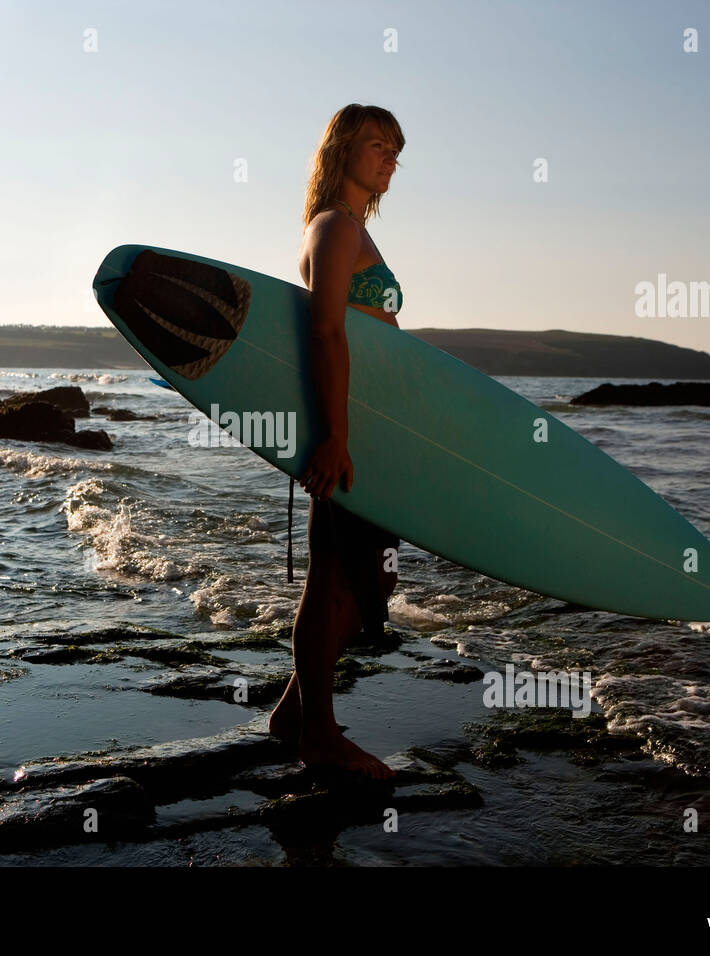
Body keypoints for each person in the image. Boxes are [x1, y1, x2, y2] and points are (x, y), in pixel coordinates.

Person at [267, 104, 406, 781]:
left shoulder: (351, 230)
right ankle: (318, 733)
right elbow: (326, 332)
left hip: (370, 432)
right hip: (344, 430)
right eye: (377, 145)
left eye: (396, 151)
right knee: (332, 577)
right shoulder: (332, 228)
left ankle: (297, 710)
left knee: (370, 575)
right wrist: (334, 437)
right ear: (342, 150)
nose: (389, 159)